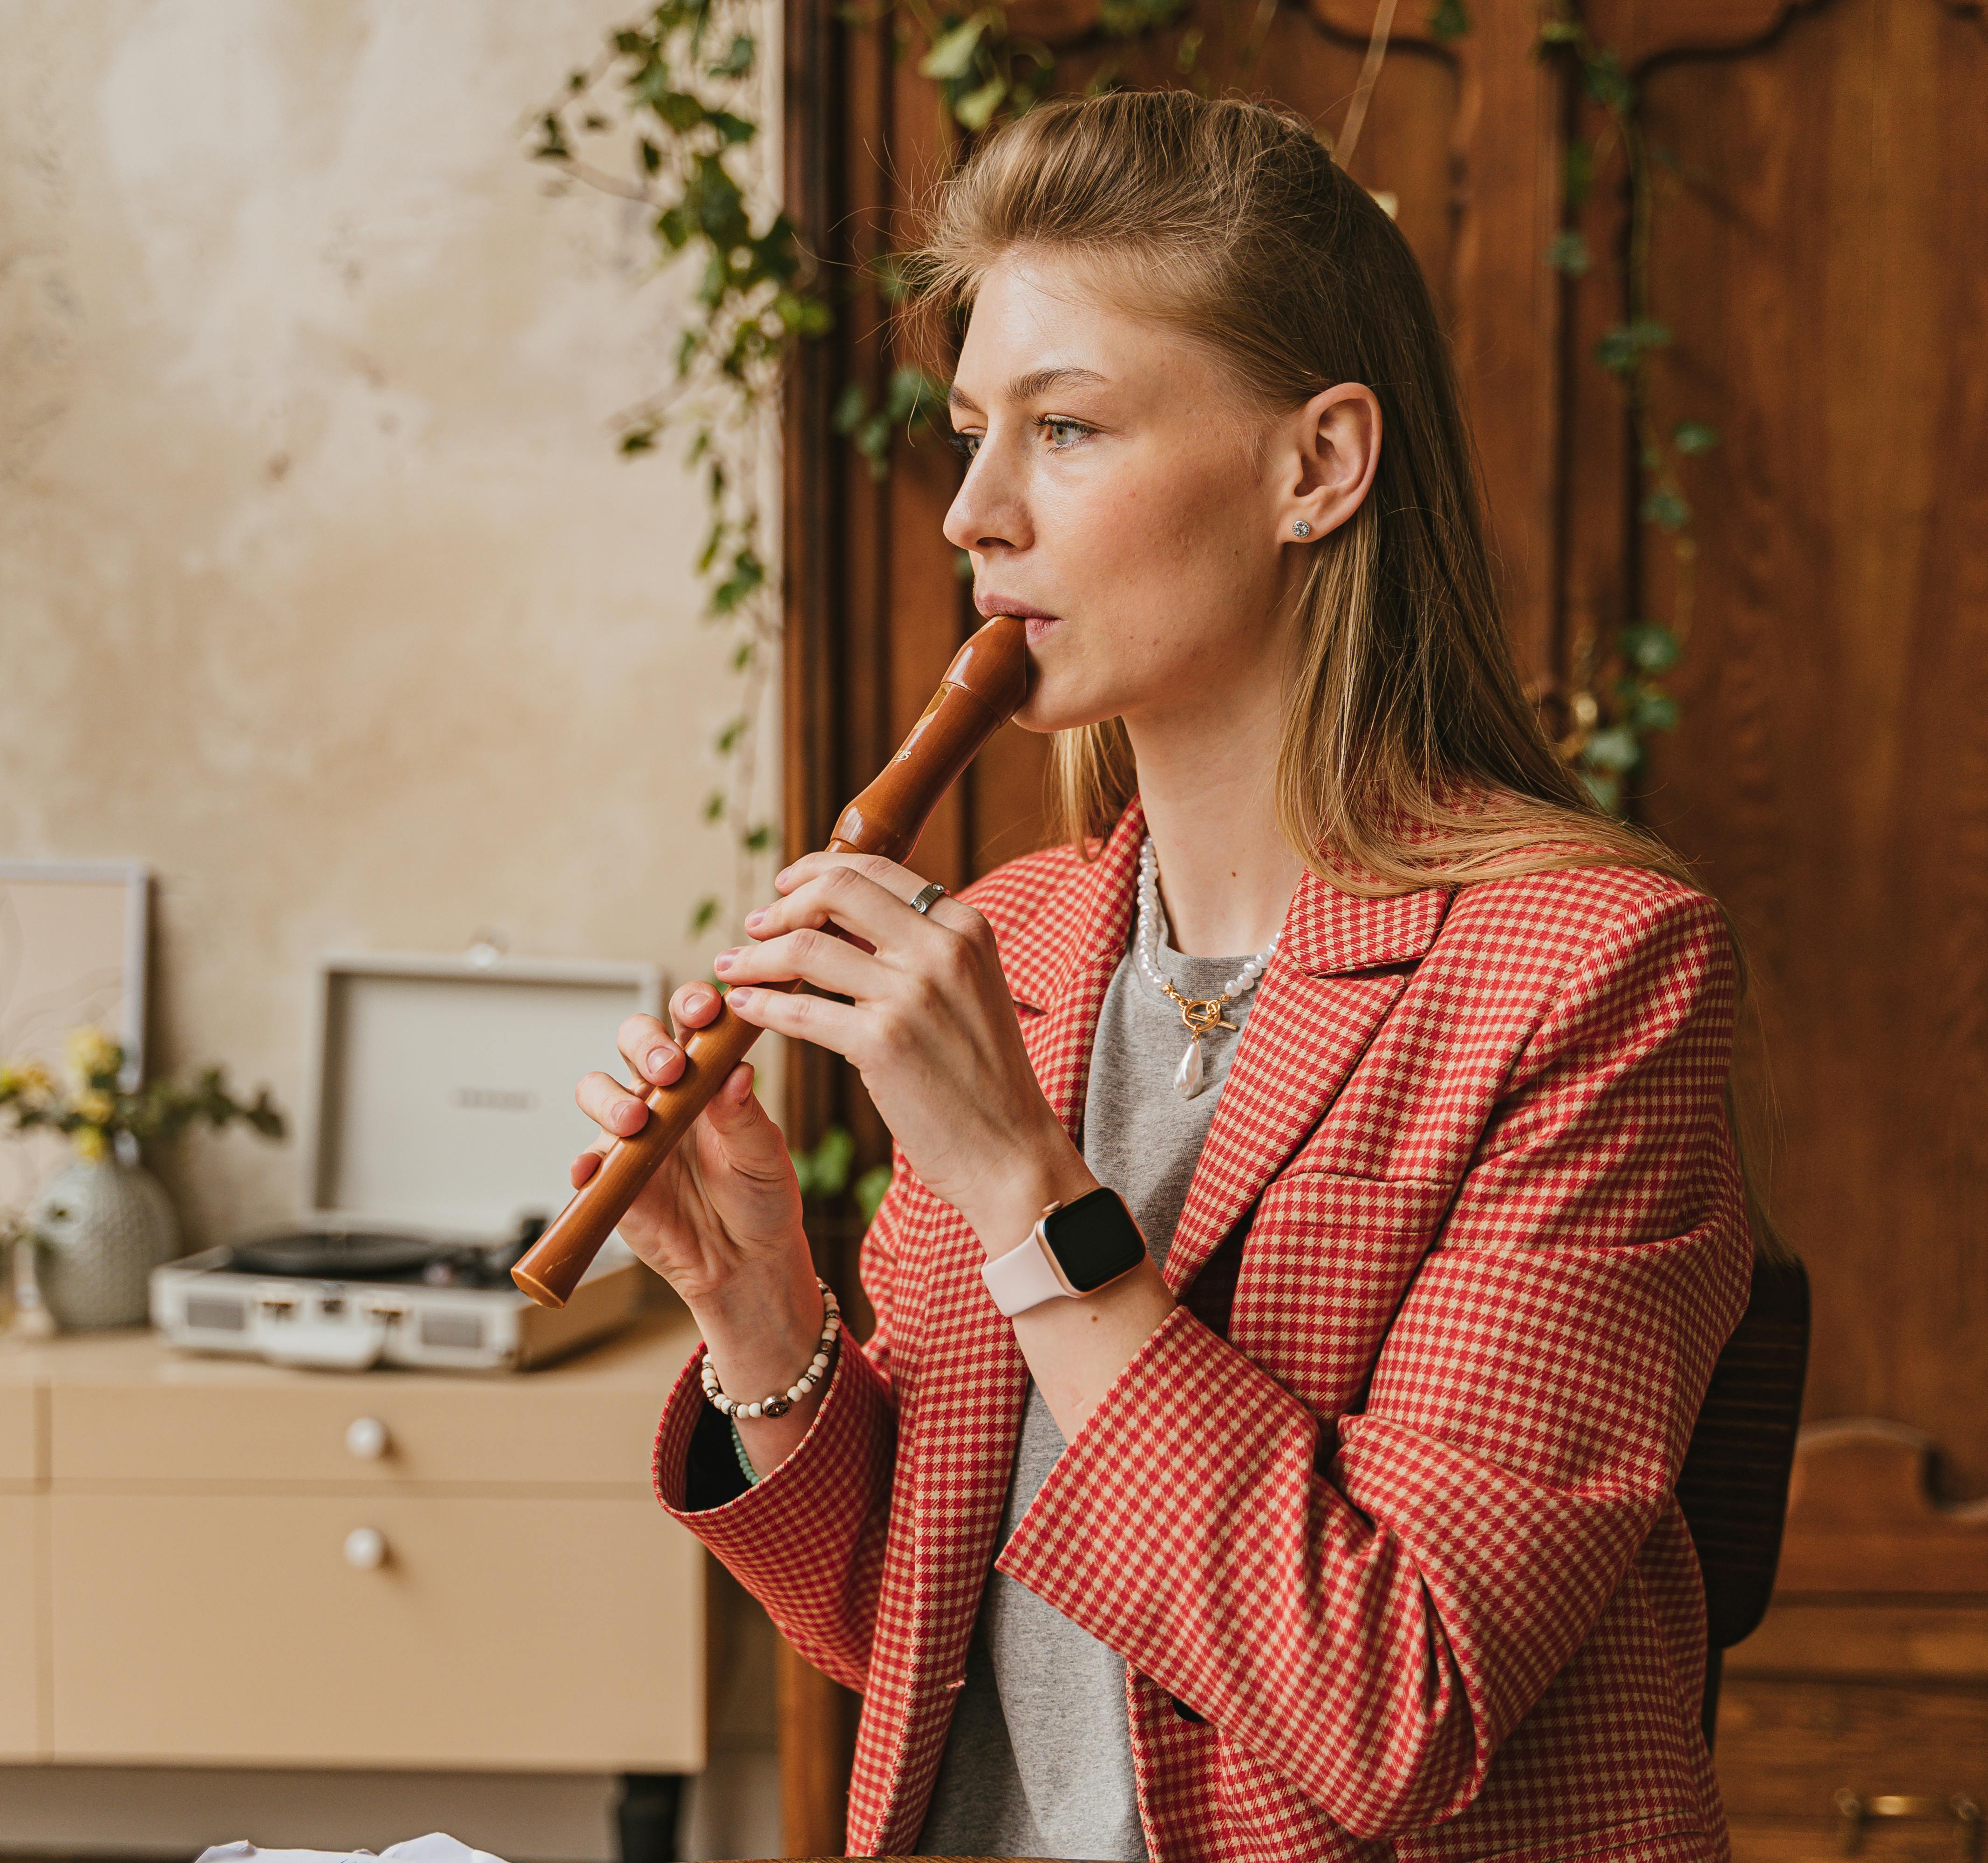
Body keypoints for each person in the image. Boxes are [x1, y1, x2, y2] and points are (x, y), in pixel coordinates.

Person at [570, 89, 1753, 1863]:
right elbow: (933, 1643)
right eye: (972, 433)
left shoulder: (1592, 974)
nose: (974, 512)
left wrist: (1022, 1188)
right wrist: (760, 1317)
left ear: (1318, 467)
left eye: (1065, 429)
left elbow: (1396, 1704)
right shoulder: (1028, 942)